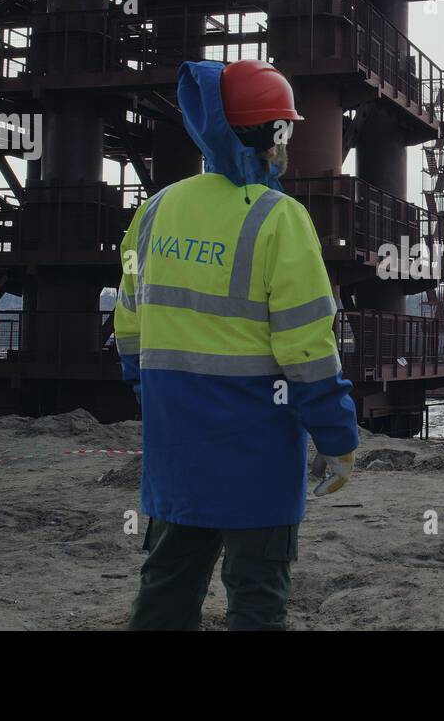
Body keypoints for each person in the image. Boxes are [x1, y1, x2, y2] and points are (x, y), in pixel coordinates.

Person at [114, 59, 359, 630]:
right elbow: (309, 353)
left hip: (177, 446)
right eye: (288, 130)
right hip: (257, 451)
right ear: (272, 137)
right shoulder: (281, 220)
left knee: (167, 584)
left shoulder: (156, 209)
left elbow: (128, 327)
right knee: (256, 596)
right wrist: (337, 437)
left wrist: (156, 396)